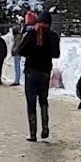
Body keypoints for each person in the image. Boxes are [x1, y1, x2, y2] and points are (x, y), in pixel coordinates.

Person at [17, 10, 60, 142]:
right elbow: (56, 54)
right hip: (45, 72)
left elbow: (21, 50)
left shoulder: (32, 33)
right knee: (43, 100)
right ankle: (45, 125)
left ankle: (33, 133)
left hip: (31, 72)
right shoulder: (53, 36)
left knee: (31, 102)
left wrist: (32, 52)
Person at [9, 20, 25, 87]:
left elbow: (17, 46)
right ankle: (16, 79)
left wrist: (14, 50)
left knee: (17, 66)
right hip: (17, 52)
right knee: (16, 66)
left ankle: (17, 80)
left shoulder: (18, 37)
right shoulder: (18, 36)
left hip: (17, 53)